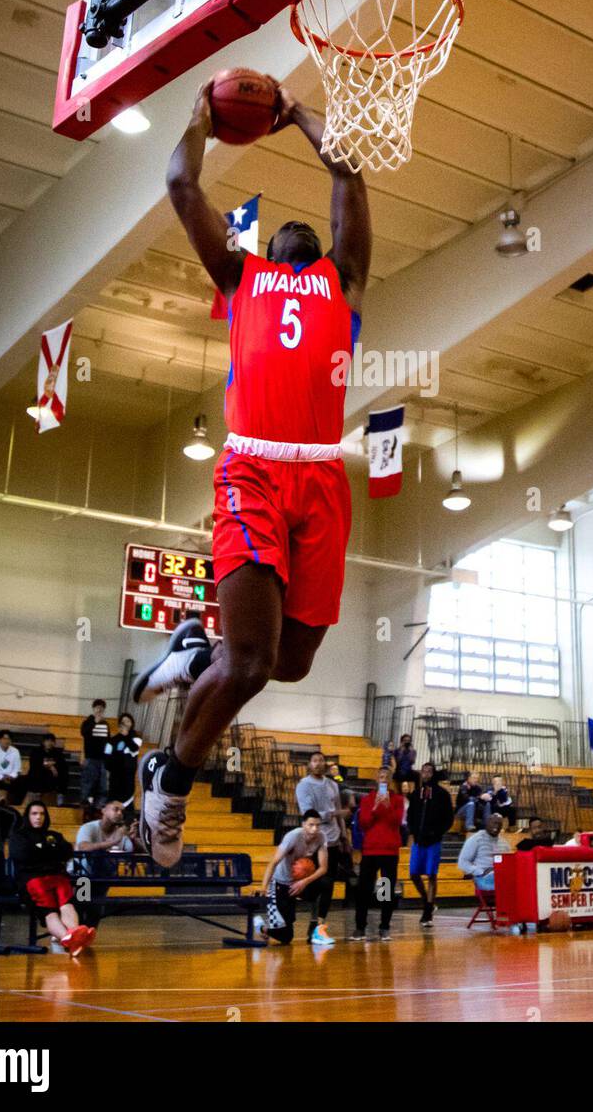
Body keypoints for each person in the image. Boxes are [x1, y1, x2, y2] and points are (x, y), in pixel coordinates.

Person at [133, 78, 372, 867]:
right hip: (252, 471)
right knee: (254, 664)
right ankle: (169, 785)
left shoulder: (344, 278)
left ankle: (196, 650)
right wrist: (201, 122)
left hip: (322, 478)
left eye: (309, 233)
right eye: (284, 233)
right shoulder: (240, 282)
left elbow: (348, 178)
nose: (300, 232)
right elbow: (179, 183)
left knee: (292, 663)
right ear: (266, 252)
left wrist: (297, 112)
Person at [9, 802, 94, 956]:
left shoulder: (54, 835)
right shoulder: (19, 836)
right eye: (34, 814)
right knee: (49, 911)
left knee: (67, 904)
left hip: (57, 877)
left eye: (41, 814)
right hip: (32, 879)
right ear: (27, 816)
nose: (38, 817)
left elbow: (67, 851)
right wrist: (51, 851)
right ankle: (67, 938)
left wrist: (41, 851)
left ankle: (75, 935)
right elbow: (23, 855)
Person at [294, 751, 350, 946]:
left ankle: (319, 925)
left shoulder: (333, 784)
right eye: (315, 760)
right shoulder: (304, 785)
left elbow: (340, 814)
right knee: (315, 885)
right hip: (314, 840)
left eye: (321, 760)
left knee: (328, 884)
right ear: (309, 764)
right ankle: (309, 920)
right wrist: (334, 813)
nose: (318, 764)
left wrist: (344, 835)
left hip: (333, 840)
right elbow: (308, 813)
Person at [256, 810, 328, 946]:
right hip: (281, 882)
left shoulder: (321, 837)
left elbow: (323, 868)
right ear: (303, 825)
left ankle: (316, 924)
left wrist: (304, 882)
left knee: (326, 884)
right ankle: (261, 927)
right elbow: (273, 862)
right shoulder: (292, 837)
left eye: (318, 825)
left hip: (300, 881)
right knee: (286, 937)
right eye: (311, 825)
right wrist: (263, 887)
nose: (315, 829)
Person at [353, 768, 405, 941]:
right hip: (370, 850)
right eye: (381, 777)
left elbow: (397, 821)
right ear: (376, 779)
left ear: (390, 780)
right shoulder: (367, 799)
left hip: (389, 851)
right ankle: (360, 927)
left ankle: (384, 927)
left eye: (386, 777)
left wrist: (388, 805)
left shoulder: (398, 800)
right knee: (364, 889)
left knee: (386, 891)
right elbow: (363, 823)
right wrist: (375, 807)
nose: (383, 780)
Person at [73, 800, 136, 929]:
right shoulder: (89, 827)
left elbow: (131, 851)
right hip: (83, 875)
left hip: (103, 878)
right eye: (115, 809)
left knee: (95, 910)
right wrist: (113, 842)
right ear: (104, 810)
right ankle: (75, 932)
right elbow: (84, 847)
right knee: (82, 905)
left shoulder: (120, 832)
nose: (119, 813)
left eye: (122, 811)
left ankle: (87, 935)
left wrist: (134, 838)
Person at [407, 762, 454, 928]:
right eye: (423, 771)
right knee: (413, 873)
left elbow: (449, 818)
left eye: (429, 771)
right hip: (418, 841)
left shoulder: (442, 794)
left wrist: (438, 832)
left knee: (431, 875)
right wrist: (412, 831)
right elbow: (410, 814)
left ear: (433, 774)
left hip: (433, 841)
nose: (426, 774)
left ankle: (427, 911)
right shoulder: (415, 794)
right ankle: (426, 901)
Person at [457, 813, 511, 895]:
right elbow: (462, 862)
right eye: (494, 823)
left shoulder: (504, 843)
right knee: (507, 885)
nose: (496, 826)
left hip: (501, 877)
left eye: (499, 824)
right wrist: (481, 872)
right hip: (483, 878)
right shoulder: (476, 839)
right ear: (488, 823)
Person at [104, 714, 142, 818]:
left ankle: (129, 824)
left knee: (128, 804)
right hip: (115, 777)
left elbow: (134, 748)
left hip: (128, 777)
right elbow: (107, 759)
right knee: (112, 803)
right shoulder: (112, 740)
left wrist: (126, 736)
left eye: (128, 722)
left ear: (132, 724)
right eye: (123, 722)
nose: (126, 724)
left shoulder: (136, 738)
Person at [79, 700, 110, 810]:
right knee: (88, 784)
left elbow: (108, 742)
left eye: (101, 708)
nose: (99, 710)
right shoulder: (87, 722)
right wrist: (95, 722)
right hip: (90, 758)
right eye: (97, 707)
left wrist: (108, 757)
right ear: (93, 709)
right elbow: (84, 733)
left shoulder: (106, 724)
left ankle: (98, 807)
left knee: (103, 786)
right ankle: (85, 807)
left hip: (103, 760)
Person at [26, 733, 69, 804]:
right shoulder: (36, 752)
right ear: (43, 742)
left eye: (52, 741)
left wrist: (53, 769)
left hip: (50, 783)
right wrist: (50, 767)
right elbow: (34, 765)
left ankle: (60, 795)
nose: (49, 743)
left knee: (63, 775)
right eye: (47, 740)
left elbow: (63, 768)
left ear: (54, 743)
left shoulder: (58, 754)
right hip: (37, 782)